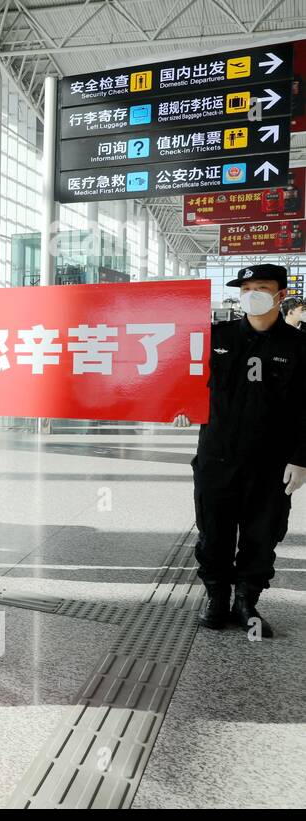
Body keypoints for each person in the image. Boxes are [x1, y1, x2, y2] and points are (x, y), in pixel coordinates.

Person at [175, 264, 306, 638]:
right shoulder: (217, 337)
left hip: (272, 463)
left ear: (281, 295)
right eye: (246, 288)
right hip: (217, 456)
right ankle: (216, 597)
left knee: (261, 534)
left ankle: (247, 601)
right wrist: (176, 405)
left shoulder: (299, 347)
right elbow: (182, 379)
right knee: (213, 532)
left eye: (261, 287)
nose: (252, 294)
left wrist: (301, 458)